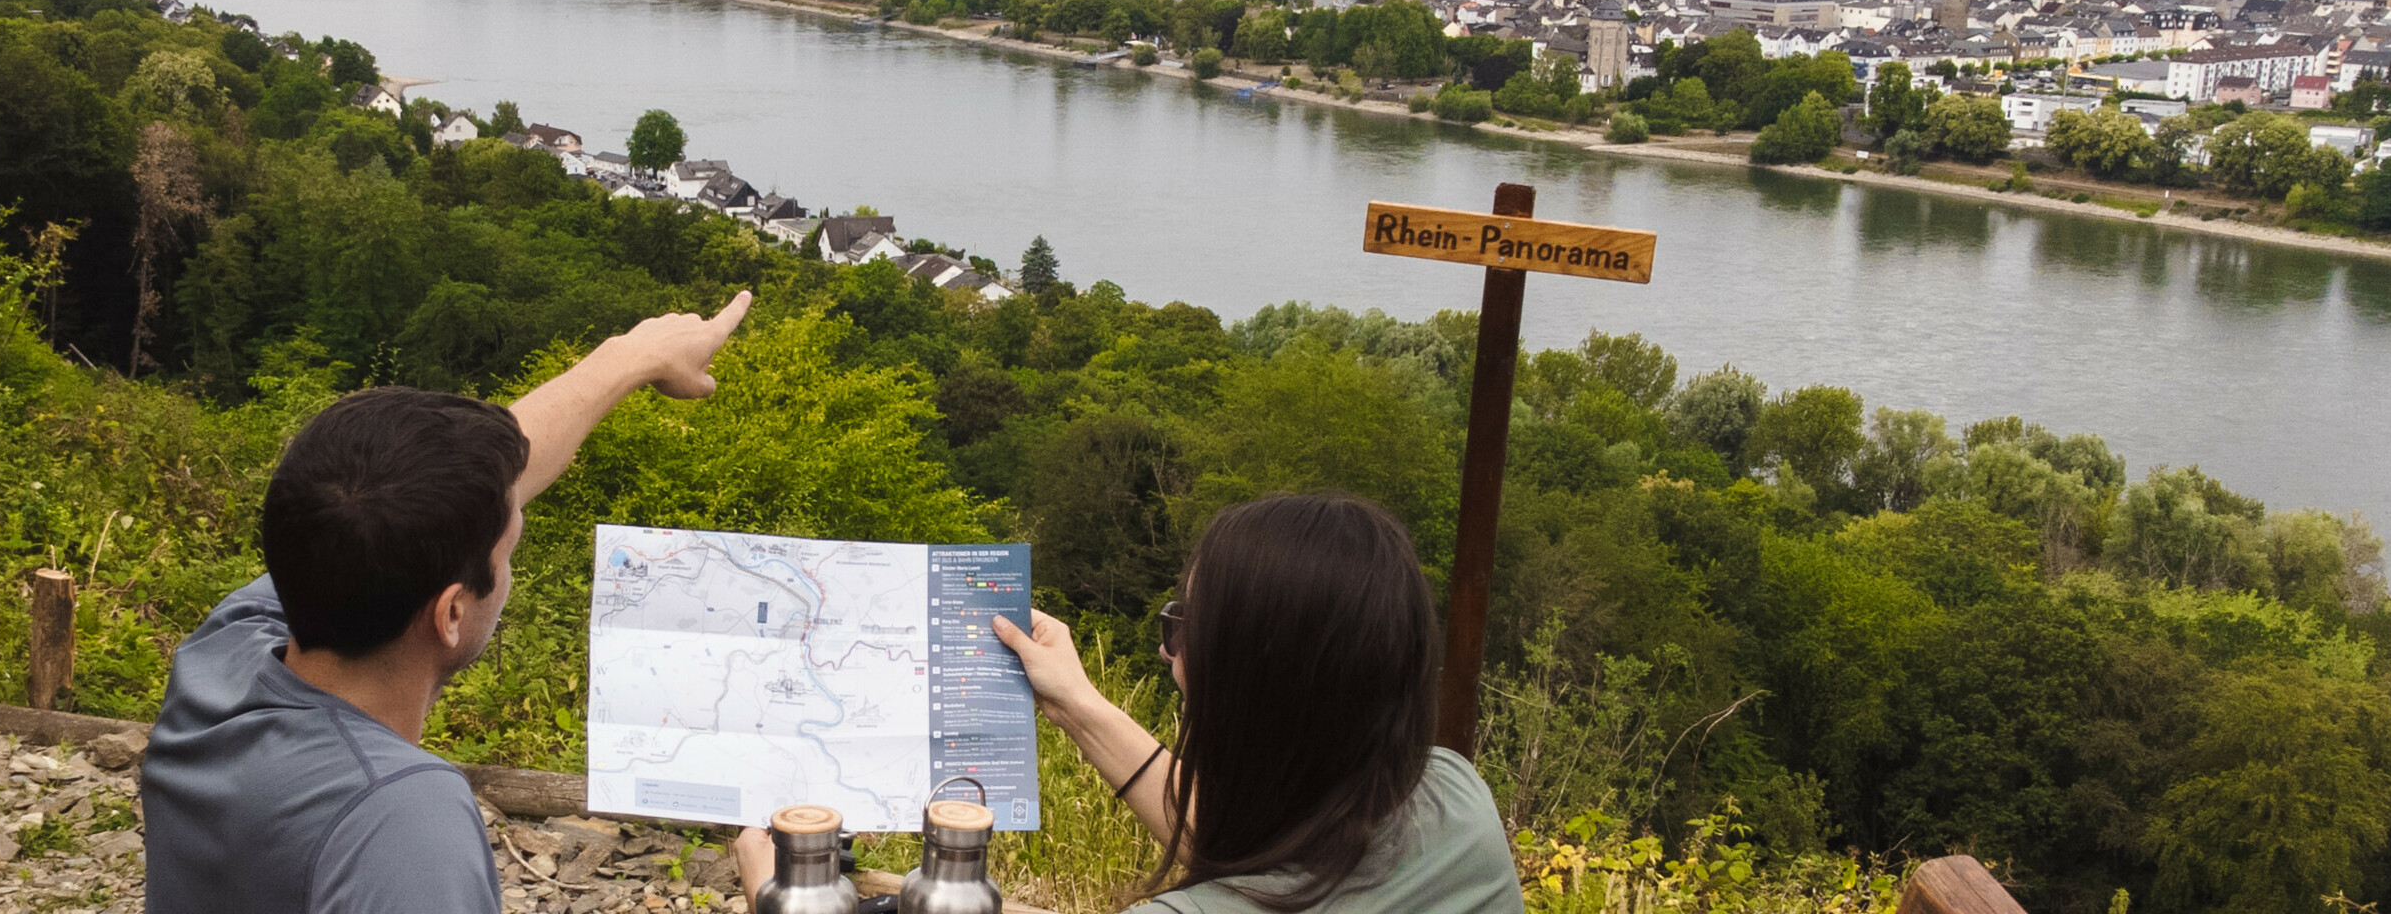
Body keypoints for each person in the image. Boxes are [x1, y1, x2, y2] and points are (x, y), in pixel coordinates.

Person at [142, 291, 752, 914]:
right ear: (451, 614)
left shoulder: (219, 664)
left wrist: (634, 358)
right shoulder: (399, 820)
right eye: (507, 552)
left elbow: (464, 489)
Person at [733, 491, 1521, 913]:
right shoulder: (1457, 802)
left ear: (1251, 692)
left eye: (1181, 628)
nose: (1170, 652)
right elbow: (1259, 854)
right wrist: (1076, 705)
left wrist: (790, 897)